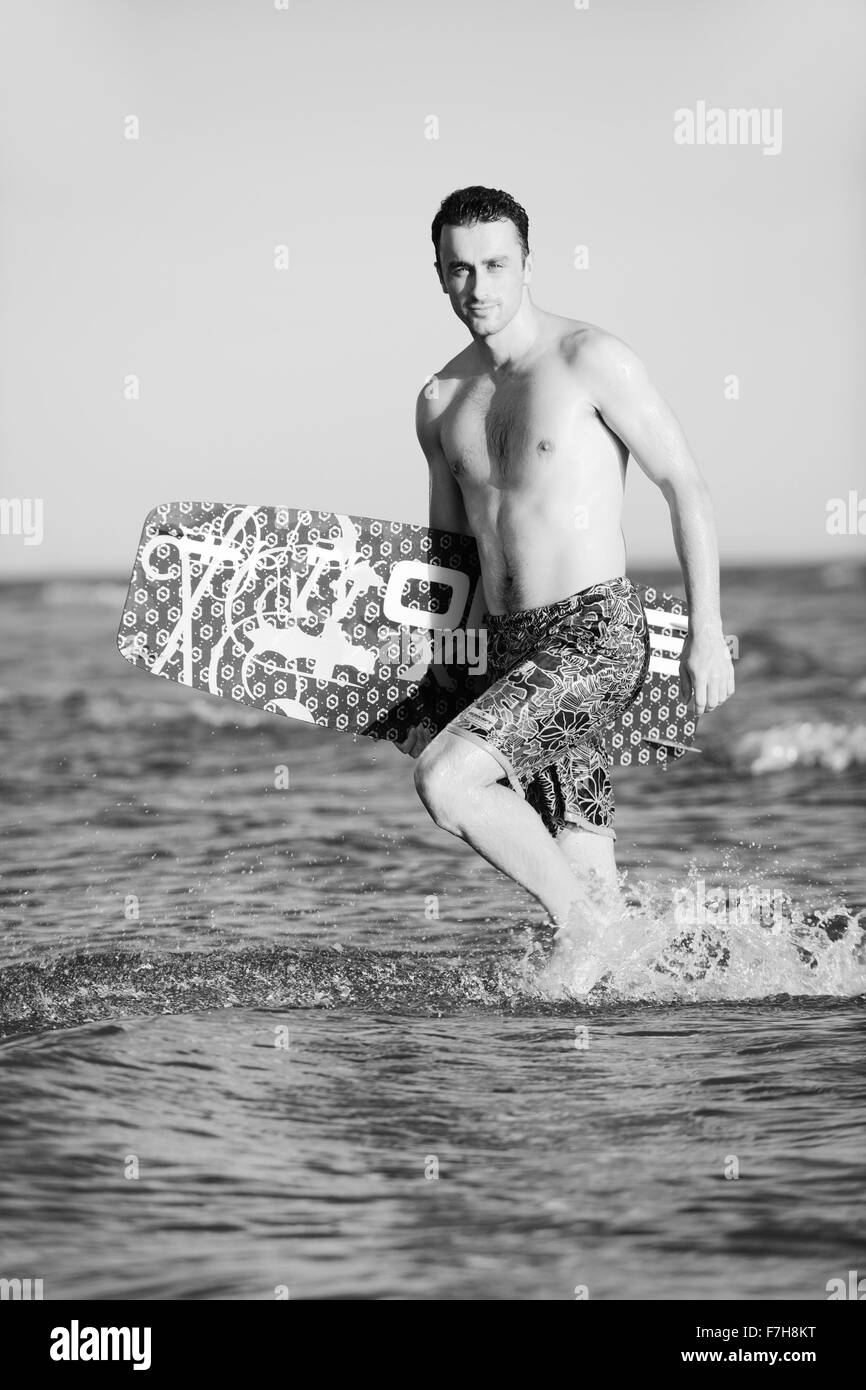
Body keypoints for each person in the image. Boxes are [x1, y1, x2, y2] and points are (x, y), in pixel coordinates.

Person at [396, 185, 734, 927]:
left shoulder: (589, 358)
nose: (477, 287)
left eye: (494, 264)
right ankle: (637, 981)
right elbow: (450, 548)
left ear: (527, 263)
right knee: (583, 856)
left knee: (448, 783)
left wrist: (706, 632)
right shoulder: (440, 400)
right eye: (459, 269)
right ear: (439, 272)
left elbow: (686, 486)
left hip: (596, 634)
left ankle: (582, 931)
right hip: (509, 648)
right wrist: (444, 653)